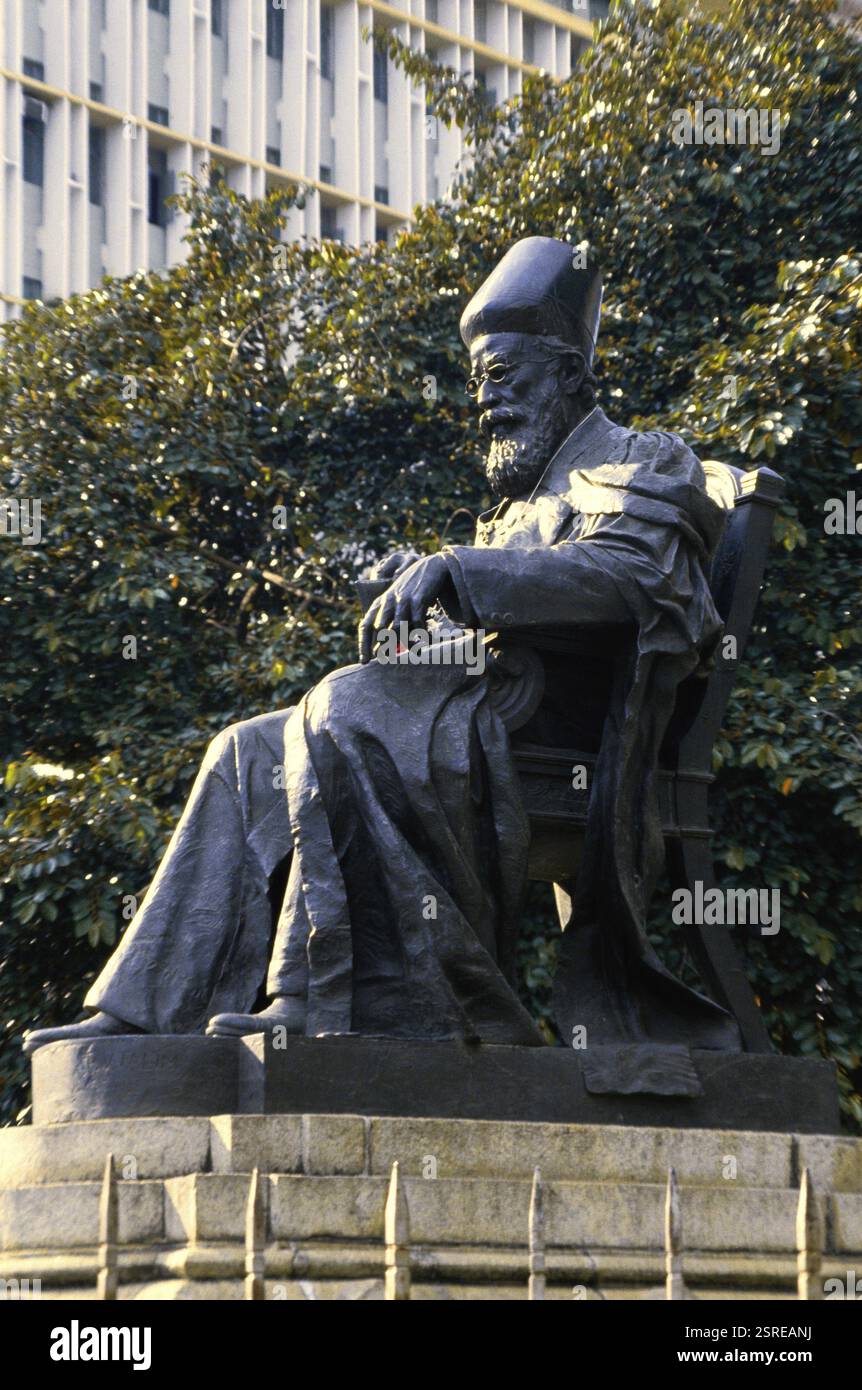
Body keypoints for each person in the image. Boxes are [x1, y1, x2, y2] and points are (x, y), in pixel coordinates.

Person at [24, 236, 739, 1057]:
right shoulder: (516, 503)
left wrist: (459, 572)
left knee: (343, 708)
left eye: (503, 378)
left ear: (571, 374)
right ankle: (143, 1013)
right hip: (483, 716)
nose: (485, 402)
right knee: (247, 751)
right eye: (477, 384)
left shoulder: (641, 458)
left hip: (569, 741)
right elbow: (490, 611)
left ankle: (318, 1000)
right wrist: (427, 604)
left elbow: (631, 581)